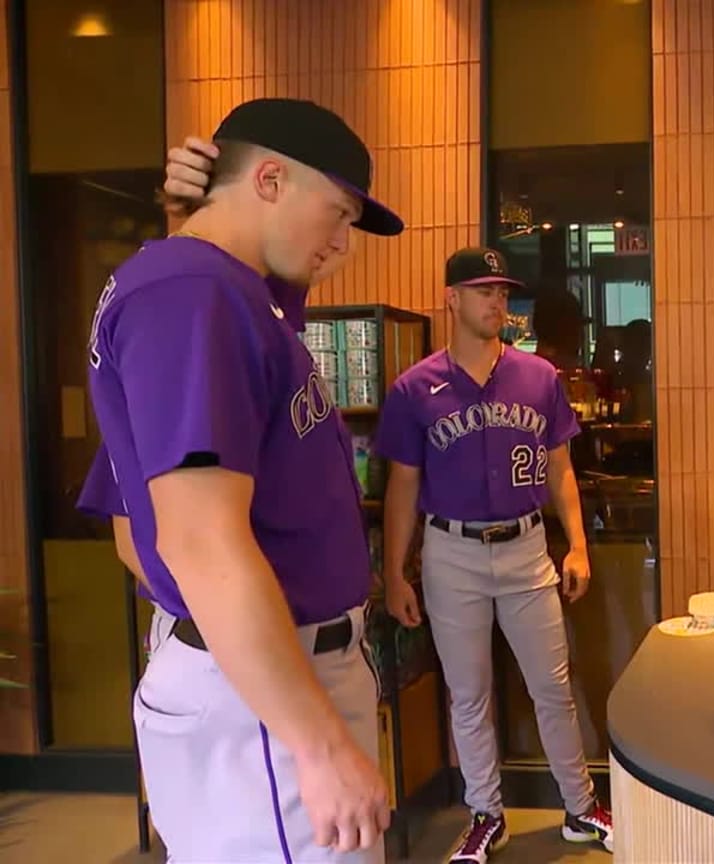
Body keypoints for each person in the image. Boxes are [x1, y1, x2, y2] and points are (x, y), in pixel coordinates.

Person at [85, 97, 404, 862]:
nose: (343, 243)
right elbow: (196, 540)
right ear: (269, 179)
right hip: (264, 698)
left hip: (254, 676)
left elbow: (137, 529)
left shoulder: (221, 295)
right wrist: (318, 744)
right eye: (337, 214)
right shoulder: (190, 295)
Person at [374, 247, 614, 863]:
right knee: (469, 692)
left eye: (503, 292)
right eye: (484, 290)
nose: (497, 302)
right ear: (452, 298)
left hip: (527, 545)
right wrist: (395, 570)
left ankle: (581, 810)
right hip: (450, 550)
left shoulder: (538, 377)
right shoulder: (415, 386)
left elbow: (560, 467)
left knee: (552, 686)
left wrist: (578, 547)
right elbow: (402, 483)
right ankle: (487, 813)